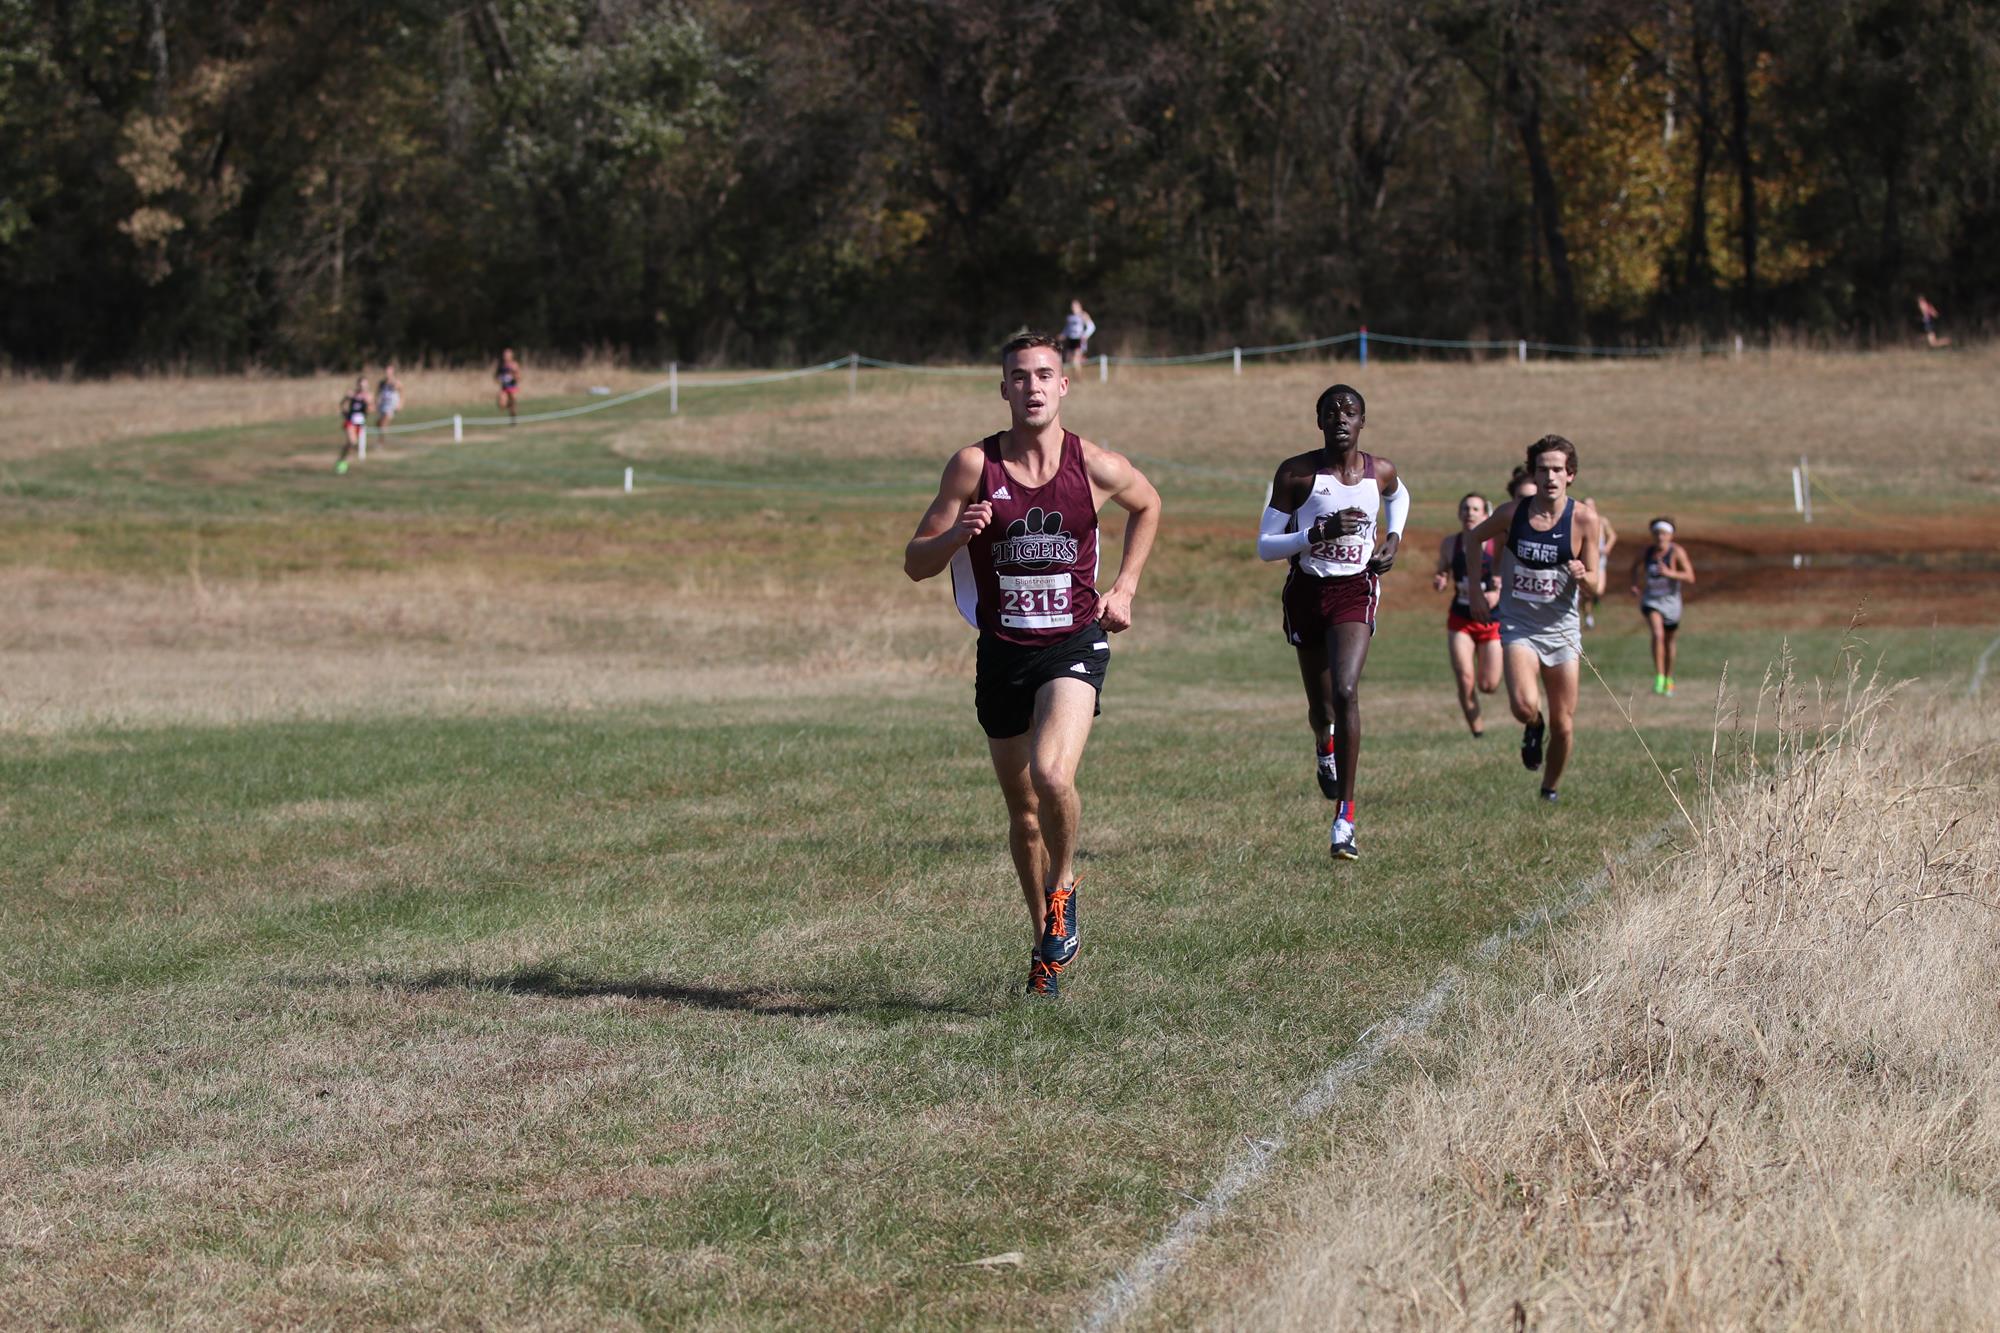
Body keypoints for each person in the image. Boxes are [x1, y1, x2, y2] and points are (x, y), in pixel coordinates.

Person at [903, 332, 1162, 998]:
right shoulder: (972, 467)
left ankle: (1065, 881)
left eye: (1045, 374)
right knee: (1022, 815)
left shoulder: (1095, 465)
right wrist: (959, 533)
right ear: (1004, 389)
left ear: (1064, 384)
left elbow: (1148, 504)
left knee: (1052, 774)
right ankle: (1046, 942)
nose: (1034, 386)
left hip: (1072, 642)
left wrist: (1125, 586)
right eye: (1020, 377)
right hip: (1002, 652)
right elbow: (915, 561)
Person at [1256, 384, 1409, 860]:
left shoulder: (1379, 471)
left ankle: (1345, 816)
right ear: (1319, 421)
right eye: (1332, 412)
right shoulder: (1297, 474)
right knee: (1322, 709)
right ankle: (1324, 745)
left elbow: (1399, 497)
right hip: (1307, 591)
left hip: (1354, 590)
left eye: (1351, 412)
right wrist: (1314, 533)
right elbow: (1265, 545)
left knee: (1346, 692)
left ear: (1363, 421)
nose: (1341, 418)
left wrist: (1394, 540)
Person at [1459, 435, 1603, 802]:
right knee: (1523, 705)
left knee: (1565, 724)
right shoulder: (1513, 513)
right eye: (1543, 469)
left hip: (1563, 630)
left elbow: (1598, 586)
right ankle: (1532, 726)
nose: (1550, 476)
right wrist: (1475, 590)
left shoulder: (1584, 520)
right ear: (1533, 473)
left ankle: (1549, 788)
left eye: (1558, 469)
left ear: (1570, 475)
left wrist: (1584, 576)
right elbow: (1473, 540)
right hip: (1519, 625)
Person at [1432, 493, 1502, 737]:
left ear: (1486, 515)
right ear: (1459, 514)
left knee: (1488, 685)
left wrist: (1498, 593)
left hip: (1492, 621)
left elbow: (1510, 576)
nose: (1469, 513)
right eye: (1465, 509)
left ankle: (1479, 726)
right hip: (1461, 619)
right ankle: (1478, 733)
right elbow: (1442, 569)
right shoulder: (1451, 543)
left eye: (1475, 509)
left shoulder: (1497, 543)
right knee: (1465, 678)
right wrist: (1440, 578)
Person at [1631, 517, 1695, 695]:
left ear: (1671, 535)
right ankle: (1659, 677)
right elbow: (1634, 567)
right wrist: (1635, 584)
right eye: (1657, 533)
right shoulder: (1647, 552)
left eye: (1664, 533)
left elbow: (1690, 576)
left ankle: (1669, 677)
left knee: (1669, 640)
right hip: (1651, 600)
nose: (1660, 537)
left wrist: (1670, 573)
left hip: (1672, 602)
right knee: (1657, 634)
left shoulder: (1676, 552)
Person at [1580, 503, 1616, 629]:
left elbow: (1612, 535)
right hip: (1586, 560)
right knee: (1587, 591)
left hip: (1600, 560)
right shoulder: (1579, 520)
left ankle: (1594, 599)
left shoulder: (1602, 520)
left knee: (1598, 590)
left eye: (1591, 506)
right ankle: (1588, 618)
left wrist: (1607, 548)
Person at [334, 374, 369, 475]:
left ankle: (342, 459)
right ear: (357, 385)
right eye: (361, 385)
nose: (362, 387)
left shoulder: (367, 397)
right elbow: (342, 403)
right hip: (350, 422)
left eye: (365, 386)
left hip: (359, 424)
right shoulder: (351, 394)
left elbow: (371, 409)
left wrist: (368, 403)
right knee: (352, 441)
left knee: (350, 445)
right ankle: (342, 462)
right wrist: (343, 412)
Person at [1059, 299, 1096, 371]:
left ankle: (1079, 379)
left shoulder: (1083, 315)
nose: (1073, 307)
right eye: (1072, 305)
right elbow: (1067, 329)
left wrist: (1085, 335)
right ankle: (1072, 378)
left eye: (1075, 305)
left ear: (1080, 306)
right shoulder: (1069, 317)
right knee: (1068, 359)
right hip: (1070, 340)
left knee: (1075, 360)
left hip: (1079, 340)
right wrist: (1063, 335)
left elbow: (1092, 327)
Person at [495, 348, 521, 422]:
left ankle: (513, 418)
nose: (505, 357)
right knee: (501, 405)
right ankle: (510, 405)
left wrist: (513, 374)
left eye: (507, 355)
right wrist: (499, 378)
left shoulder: (514, 365)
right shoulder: (501, 365)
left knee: (513, 402)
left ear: (511, 356)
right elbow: (496, 376)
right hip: (504, 387)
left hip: (512, 387)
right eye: (504, 355)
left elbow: (519, 378)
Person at [375, 363, 402, 430]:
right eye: (386, 371)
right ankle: (383, 438)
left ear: (393, 372)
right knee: (379, 423)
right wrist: (377, 403)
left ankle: (383, 438)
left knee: (384, 421)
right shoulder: (382, 383)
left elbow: (402, 394)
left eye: (389, 371)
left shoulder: (397, 382)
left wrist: (400, 404)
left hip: (392, 405)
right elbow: (378, 393)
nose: (387, 373)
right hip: (383, 405)